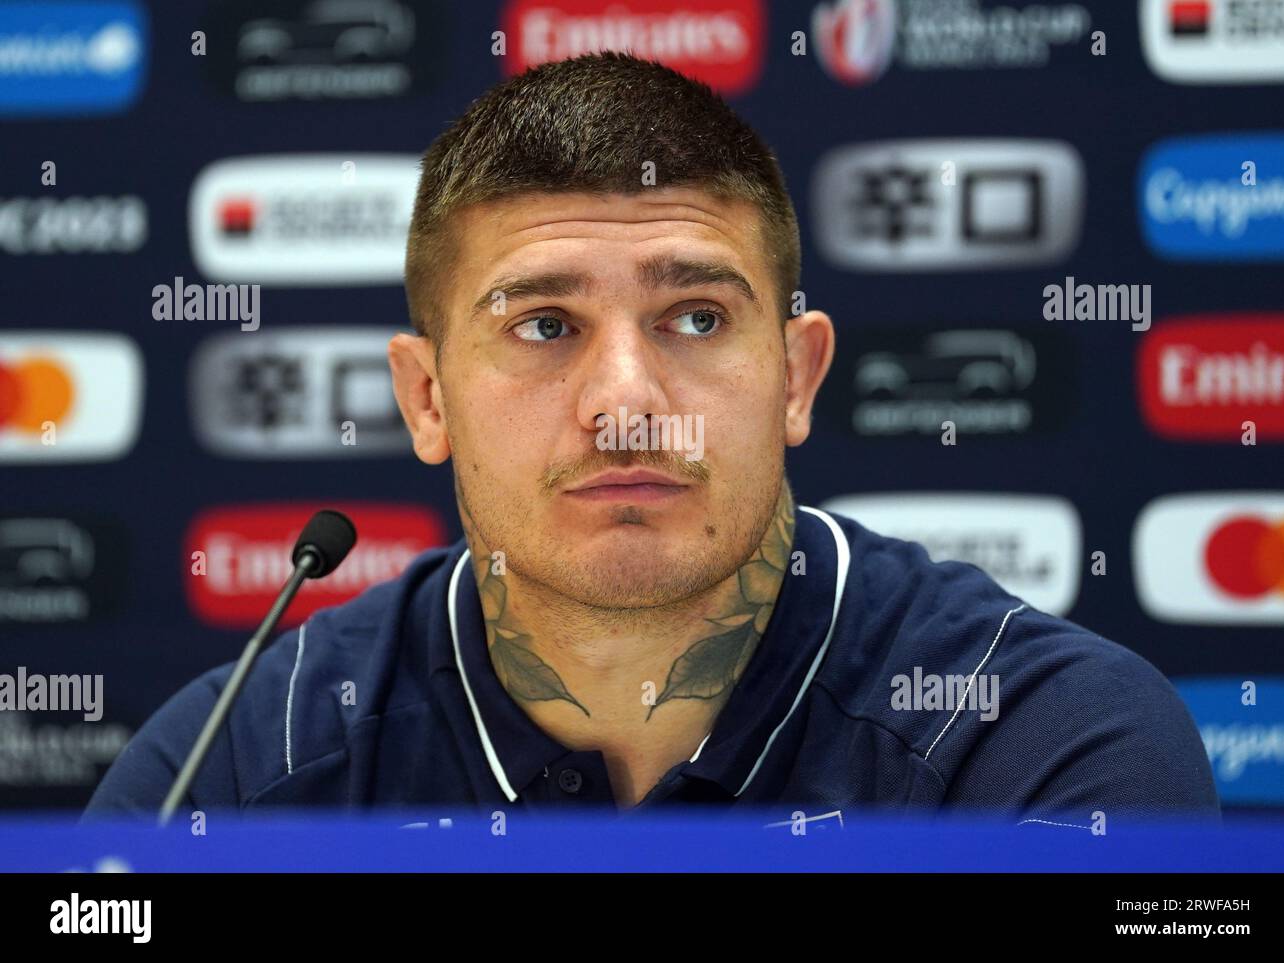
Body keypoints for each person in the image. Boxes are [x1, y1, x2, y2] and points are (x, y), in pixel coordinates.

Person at [86, 52, 1218, 824]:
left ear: (794, 373)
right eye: (542, 324)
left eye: (695, 317)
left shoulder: (1037, 742)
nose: (624, 401)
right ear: (425, 399)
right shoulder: (235, 766)